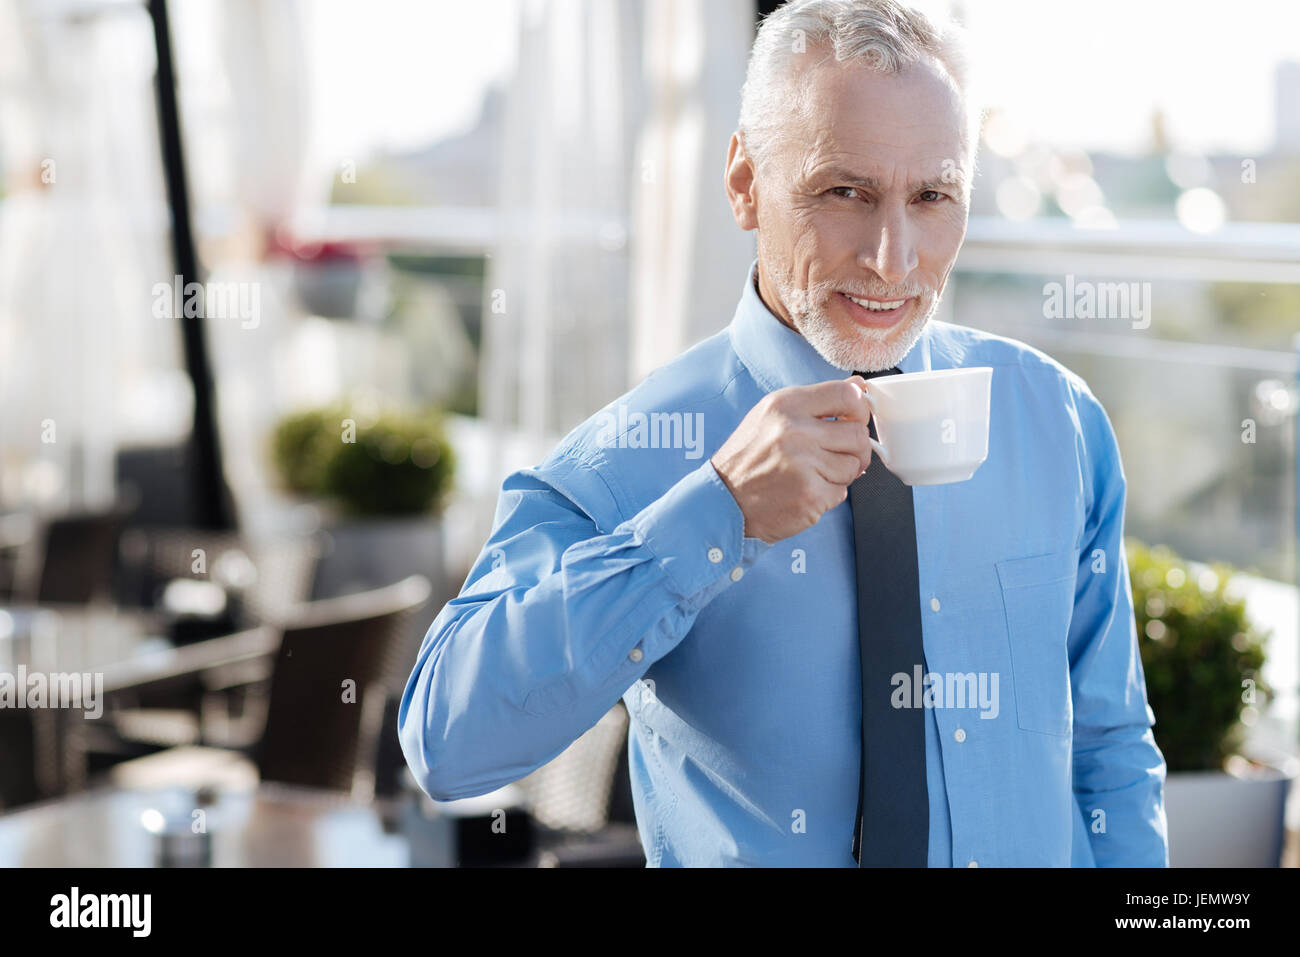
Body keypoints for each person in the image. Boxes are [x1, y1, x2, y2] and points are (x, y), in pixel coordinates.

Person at [399, 0, 1168, 867]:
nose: (893, 257)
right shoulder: (626, 460)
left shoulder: (1056, 420)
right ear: (743, 183)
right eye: (846, 191)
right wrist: (712, 514)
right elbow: (446, 744)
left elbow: (1109, 748)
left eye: (932, 195)